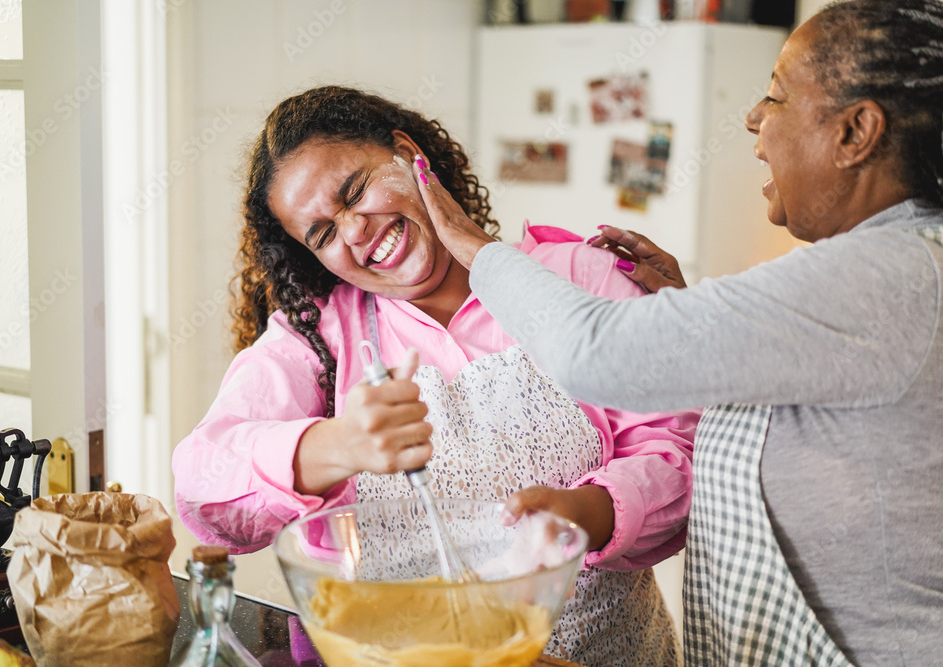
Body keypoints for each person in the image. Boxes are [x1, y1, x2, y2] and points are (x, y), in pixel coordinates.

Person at [415, 2, 943, 666]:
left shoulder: (884, 273)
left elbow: (589, 352)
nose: (753, 118)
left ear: (856, 132)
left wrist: (474, 247)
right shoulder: (903, 265)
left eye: (776, 96)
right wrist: (690, 314)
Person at [172, 85, 700, 666]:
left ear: (406, 152)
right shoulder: (318, 342)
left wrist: (589, 514)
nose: (354, 231)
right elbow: (202, 485)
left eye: (355, 192)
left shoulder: (580, 277)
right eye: (322, 233)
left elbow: (682, 449)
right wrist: (338, 444)